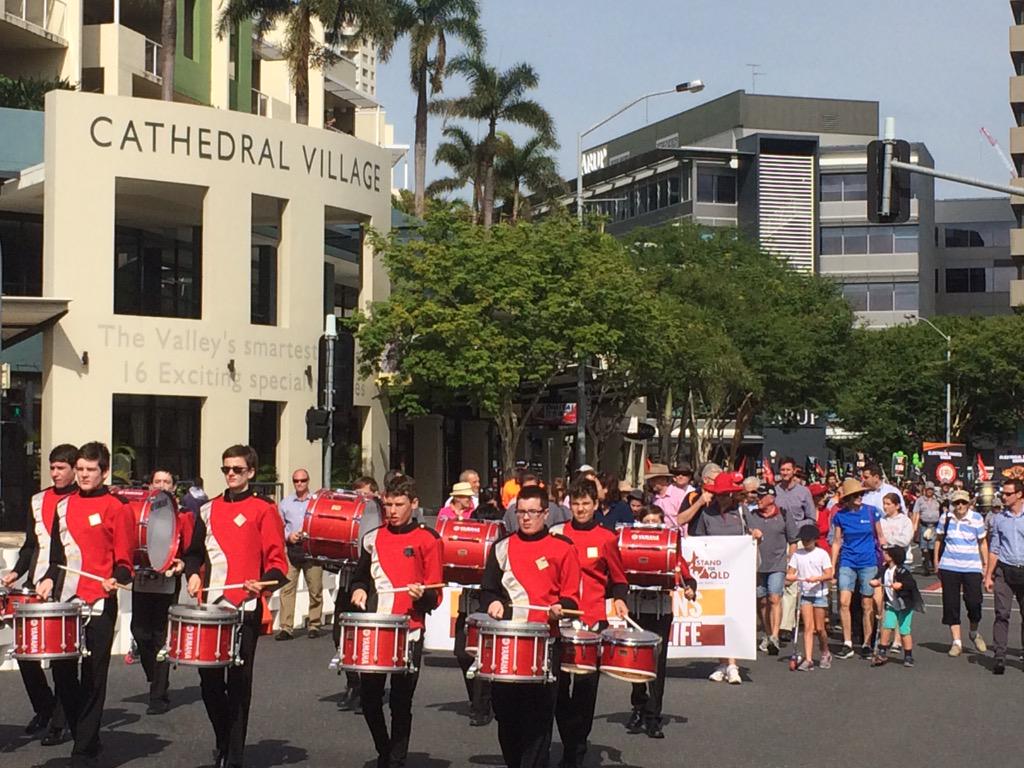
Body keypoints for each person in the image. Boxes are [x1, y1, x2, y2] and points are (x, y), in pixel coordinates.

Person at [184, 444, 288, 768]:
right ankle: (224, 739)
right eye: (226, 469)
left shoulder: (264, 509)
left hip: (245, 606)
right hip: (212, 608)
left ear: (251, 472)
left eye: (237, 469)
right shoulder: (207, 509)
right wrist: (192, 574)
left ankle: (234, 758)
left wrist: (263, 582)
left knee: (239, 683)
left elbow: (278, 564)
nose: (231, 474)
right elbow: (193, 554)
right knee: (209, 683)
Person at [35, 442, 135, 768]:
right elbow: (57, 557)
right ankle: (86, 735)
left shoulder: (117, 507)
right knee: (62, 672)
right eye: (79, 469)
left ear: (104, 472)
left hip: (99, 603)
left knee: (93, 675)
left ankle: (83, 749)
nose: (83, 475)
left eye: (90, 470)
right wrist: (48, 578)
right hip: (67, 601)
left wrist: (115, 578)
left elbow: (125, 561)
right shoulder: (63, 506)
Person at [480, 485, 581, 768]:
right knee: (506, 716)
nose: (525, 518)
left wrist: (561, 607)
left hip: (545, 642)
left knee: (538, 719)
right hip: (507, 642)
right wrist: (492, 602)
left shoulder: (563, 548)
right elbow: (487, 590)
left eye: (532, 512)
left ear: (545, 514)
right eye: (521, 512)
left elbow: (572, 597)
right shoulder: (501, 547)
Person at [350, 476, 443, 768]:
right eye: (387, 504)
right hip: (376, 627)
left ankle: (396, 759)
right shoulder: (372, 538)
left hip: (409, 630)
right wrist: (358, 589)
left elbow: (435, 594)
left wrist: (421, 596)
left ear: (413, 504)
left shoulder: (428, 539)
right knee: (369, 699)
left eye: (398, 505)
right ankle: (384, 750)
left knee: (401, 702)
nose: (392, 511)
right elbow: (359, 577)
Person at [2, 443, 78, 746]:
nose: (55, 473)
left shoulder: (78, 500)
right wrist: (15, 573)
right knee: (26, 652)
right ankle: (44, 707)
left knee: (60, 658)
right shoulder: (37, 500)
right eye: (52, 467)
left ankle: (60, 721)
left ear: (73, 469)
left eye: (61, 468)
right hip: (36, 584)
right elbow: (31, 546)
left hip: (66, 586)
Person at [550, 478, 629, 766]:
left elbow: (619, 578)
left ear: (596, 505)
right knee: (557, 687)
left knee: (585, 689)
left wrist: (619, 598)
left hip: (593, 620)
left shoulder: (606, 537)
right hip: (561, 619)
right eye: (576, 504)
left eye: (586, 503)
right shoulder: (557, 534)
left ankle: (576, 748)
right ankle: (570, 740)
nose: (581, 509)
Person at [625, 506, 696, 738]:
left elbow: (686, 575)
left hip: (660, 610)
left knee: (657, 663)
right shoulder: (629, 544)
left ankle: (653, 716)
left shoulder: (670, 547)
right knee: (635, 661)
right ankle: (638, 706)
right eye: (646, 521)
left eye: (655, 521)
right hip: (635, 608)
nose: (651, 526)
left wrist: (690, 588)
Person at [129, 469, 192, 715]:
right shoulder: (140, 512)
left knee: (161, 636)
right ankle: (154, 675)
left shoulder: (183, 516)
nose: (162, 485)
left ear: (174, 487)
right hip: (143, 579)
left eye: (167, 482)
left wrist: (182, 564)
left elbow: (188, 550)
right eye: (157, 481)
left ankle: (158, 694)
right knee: (139, 631)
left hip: (167, 581)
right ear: (150, 485)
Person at [690, 471, 747, 683]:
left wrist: (756, 536)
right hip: (715, 573)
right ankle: (724, 662)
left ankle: (732, 664)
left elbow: (752, 534)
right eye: (719, 494)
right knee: (718, 616)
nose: (722, 498)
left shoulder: (740, 511)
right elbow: (699, 540)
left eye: (726, 494)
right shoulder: (707, 513)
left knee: (734, 615)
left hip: (737, 572)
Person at [333, 475, 383, 713]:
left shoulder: (379, 512)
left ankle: (368, 690)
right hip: (347, 581)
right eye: (357, 494)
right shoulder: (350, 512)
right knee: (340, 635)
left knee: (366, 638)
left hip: (370, 584)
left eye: (364, 494)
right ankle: (353, 683)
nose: (360, 499)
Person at [830, 478, 887, 660]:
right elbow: (837, 541)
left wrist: (888, 557)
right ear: (848, 498)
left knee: (867, 604)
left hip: (868, 561)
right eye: (856, 495)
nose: (859, 497)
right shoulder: (840, 516)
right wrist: (832, 566)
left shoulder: (871, 512)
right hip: (847, 561)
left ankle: (867, 643)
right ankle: (847, 642)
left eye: (861, 494)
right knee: (844, 602)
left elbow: (880, 536)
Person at [934, 489, 988, 658]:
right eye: (957, 502)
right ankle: (956, 642)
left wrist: (985, 565)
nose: (960, 506)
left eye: (963, 502)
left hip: (972, 566)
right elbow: (938, 540)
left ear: (969, 503)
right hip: (949, 565)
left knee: (974, 602)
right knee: (951, 604)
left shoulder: (976, 518)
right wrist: (936, 561)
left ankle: (974, 632)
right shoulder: (946, 518)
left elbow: (982, 542)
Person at [276, 468, 323, 640]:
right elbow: (278, 527)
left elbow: (323, 523)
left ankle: (314, 624)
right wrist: (288, 536)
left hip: (312, 549)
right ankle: (286, 627)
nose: (299, 484)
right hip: (292, 549)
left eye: (303, 480)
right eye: (296, 481)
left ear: (308, 481)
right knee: (287, 589)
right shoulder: (285, 503)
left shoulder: (316, 502)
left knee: (315, 589)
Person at [983, 478, 1024, 675]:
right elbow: (994, 548)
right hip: (1005, 571)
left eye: (1008, 494)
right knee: (1001, 613)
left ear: (1019, 494)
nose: (1004, 497)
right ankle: (999, 656)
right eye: (1003, 494)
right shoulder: (999, 519)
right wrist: (988, 575)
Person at [775, 457, 817, 643]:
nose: (785, 473)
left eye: (788, 470)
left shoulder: (803, 492)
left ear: (794, 471)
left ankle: (786, 625)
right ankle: (778, 622)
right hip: (779, 539)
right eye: (782, 470)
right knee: (779, 580)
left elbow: (811, 517)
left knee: (791, 582)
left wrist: (796, 526)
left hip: (797, 540)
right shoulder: (775, 491)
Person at [785, 524, 834, 670]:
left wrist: (817, 578)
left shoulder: (822, 554)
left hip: (819, 594)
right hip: (805, 594)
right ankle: (808, 659)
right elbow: (790, 573)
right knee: (808, 627)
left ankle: (825, 651)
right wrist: (791, 577)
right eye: (804, 540)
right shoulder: (797, 554)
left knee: (820, 628)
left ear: (814, 539)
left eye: (808, 540)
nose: (805, 543)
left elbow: (829, 574)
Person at [747, 483, 787, 656]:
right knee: (761, 601)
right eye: (757, 495)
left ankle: (775, 636)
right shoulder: (752, 515)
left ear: (771, 498)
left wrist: (790, 562)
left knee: (774, 597)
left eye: (762, 496)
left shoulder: (783, 514)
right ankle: (768, 632)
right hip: (758, 564)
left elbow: (793, 540)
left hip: (778, 563)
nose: (758, 499)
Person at [870, 545, 921, 667]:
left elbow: (911, 584)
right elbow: (877, 578)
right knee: (887, 626)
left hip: (904, 605)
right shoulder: (884, 569)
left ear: (893, 557)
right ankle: (882, 651)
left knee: (904, 630)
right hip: (891, 604)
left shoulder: (902, 571)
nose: (884, 554)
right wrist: (875, 581)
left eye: (887, 553)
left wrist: (901, 585)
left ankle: (908, 655)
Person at [503, 473, 569, 532]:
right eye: (526, 489)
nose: (530, 492)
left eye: (533, 511)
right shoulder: (511, 510)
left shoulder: (553, 509)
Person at [646, 463, 687, 532]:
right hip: (660, 535)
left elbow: (686, 518)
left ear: (663, 479)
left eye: (654, 480)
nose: (651, 483)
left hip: (677, 534)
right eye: (650, 480)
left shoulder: (678, 494)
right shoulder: (654, 498)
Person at [913, 482, 942, 574]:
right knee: (924, 547)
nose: (929, 491)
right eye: (928, 489)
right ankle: (926, 567)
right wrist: (914, 526)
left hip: (935, 526)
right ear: (925, 490)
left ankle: (934, 564)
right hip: (924, 526)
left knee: (933, 547)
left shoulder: (937, 500)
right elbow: (916, 513)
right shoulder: (920, 500)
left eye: (931, 489)